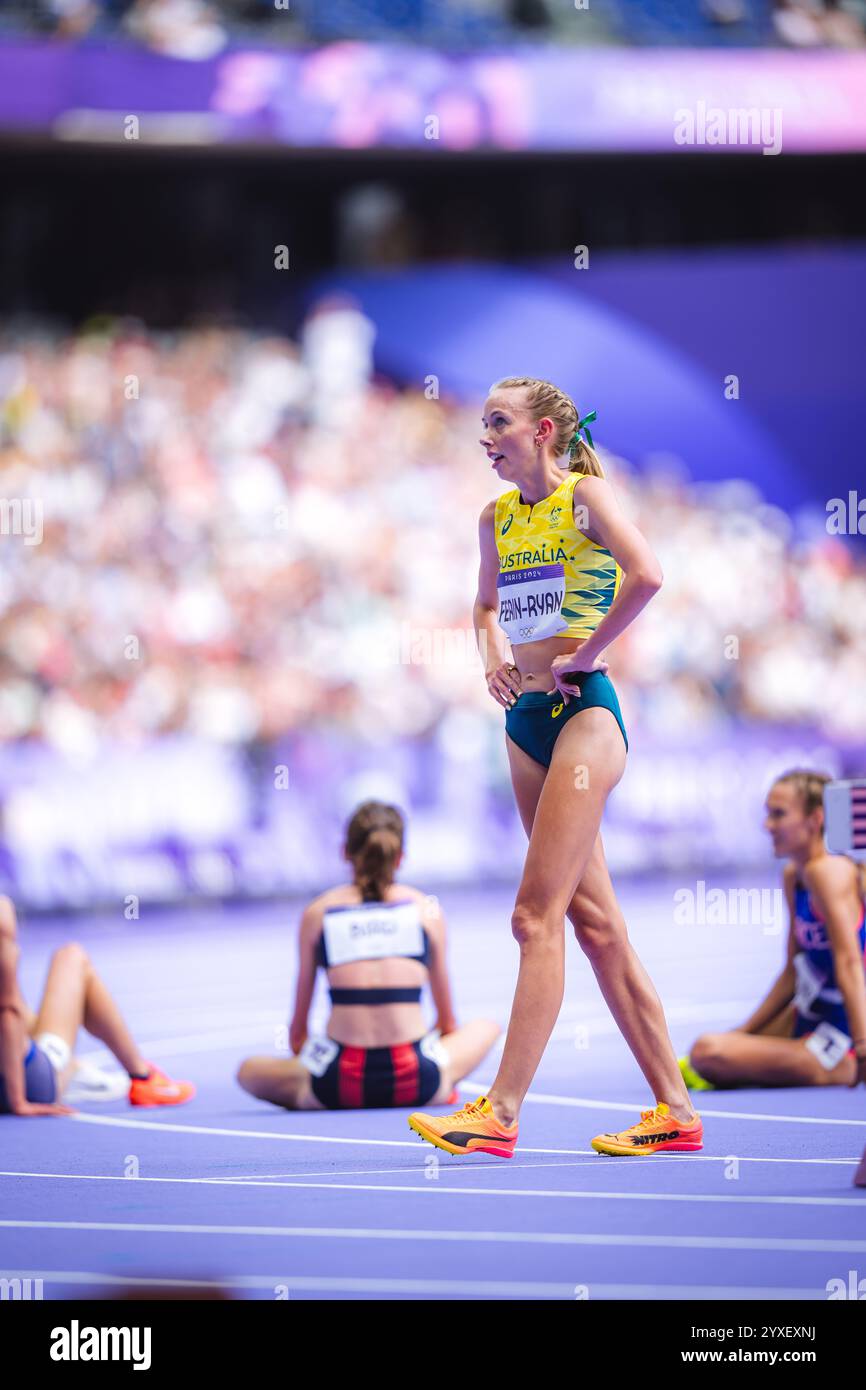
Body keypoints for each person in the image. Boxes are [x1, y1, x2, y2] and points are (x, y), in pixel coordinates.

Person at [408, 376, 703, 1158]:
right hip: (525, 722)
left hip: (585, 716)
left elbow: (649, 574)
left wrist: (591, 653)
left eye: (497, 423)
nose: (484, 436)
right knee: (596, 925)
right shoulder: (494, 517)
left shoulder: (586, 499)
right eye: (482, 423)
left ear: (541, 432)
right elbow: (481, 607)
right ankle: (675, 1110)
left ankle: (499, 1114)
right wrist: (492, 659)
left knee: (532, 917)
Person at [237, 800, 500, 1110]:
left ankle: (311, 1091)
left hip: (337, 1081)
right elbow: (447, 1021)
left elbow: (297, 1034)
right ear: (400, 857)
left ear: (345, 852)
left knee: (247, 1072)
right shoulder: (426, 910)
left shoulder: (318, 913)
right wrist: (431, 1052)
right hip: (417, 1077)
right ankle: (442, 1083)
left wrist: (316, 1059)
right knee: (488, 1026)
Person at [681, 770, 866, 1090]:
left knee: (707, 1052)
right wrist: (743, 1031)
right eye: (768, 814)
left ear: (815, 819)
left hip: (845, 1026)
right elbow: (792, 972)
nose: (768, 826)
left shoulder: (828, 872)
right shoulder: (794, 875)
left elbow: (849, 962)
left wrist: (862, 1043)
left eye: (778, 815)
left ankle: (846, 1065)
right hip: (810, 1014)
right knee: (716, 1048)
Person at [0, 895, 195, 1116]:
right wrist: (18, 1101)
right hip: (26, 1083)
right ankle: (143, 1078)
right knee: (72, 957)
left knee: (24, 1010)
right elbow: (8, 1009)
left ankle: (74, 1067)